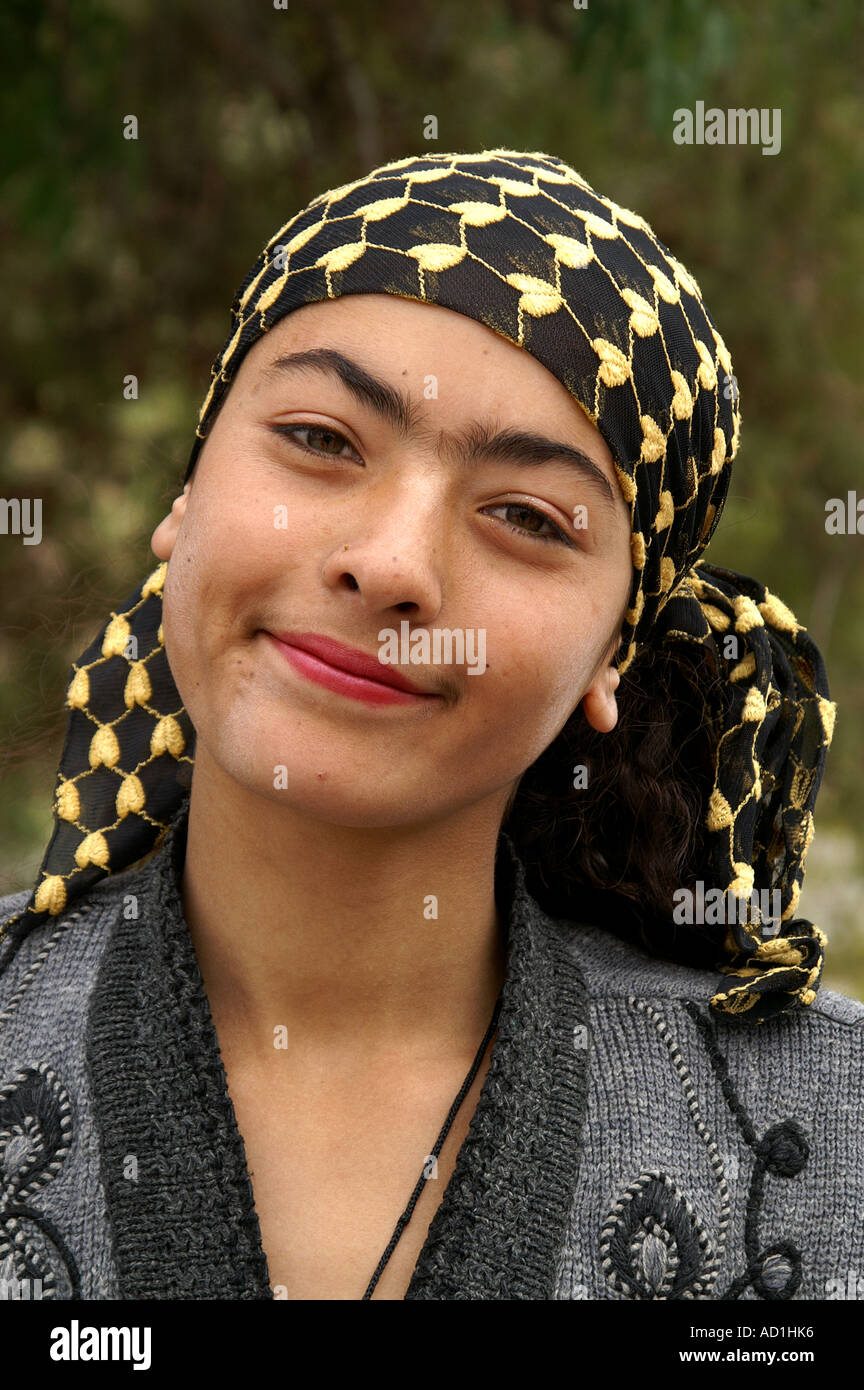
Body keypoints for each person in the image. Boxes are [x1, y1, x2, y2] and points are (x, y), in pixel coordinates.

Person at [0, 148, 861, 1303]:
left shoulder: (822, 1134)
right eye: (320, 439)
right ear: (187, 492)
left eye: (523, 515)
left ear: (614, 649)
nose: (392, 565)